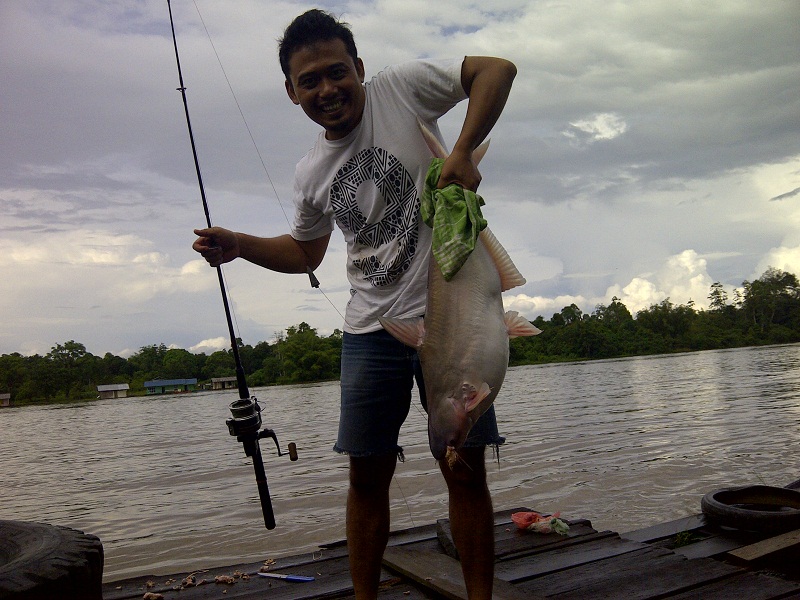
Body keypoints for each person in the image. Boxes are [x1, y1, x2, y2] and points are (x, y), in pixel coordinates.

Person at [193, 9, 516, 599]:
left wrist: (463, 152)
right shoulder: (312, 170)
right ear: (291, 92)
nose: (326, 89)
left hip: (455, 322)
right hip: (371, 332)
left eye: (336, 72)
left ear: (359, 69)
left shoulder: (401, 89)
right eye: (309, 80)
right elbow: (305, 252)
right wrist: (239, 246)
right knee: (366, 477)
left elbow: (497, 70)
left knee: (464, 470)